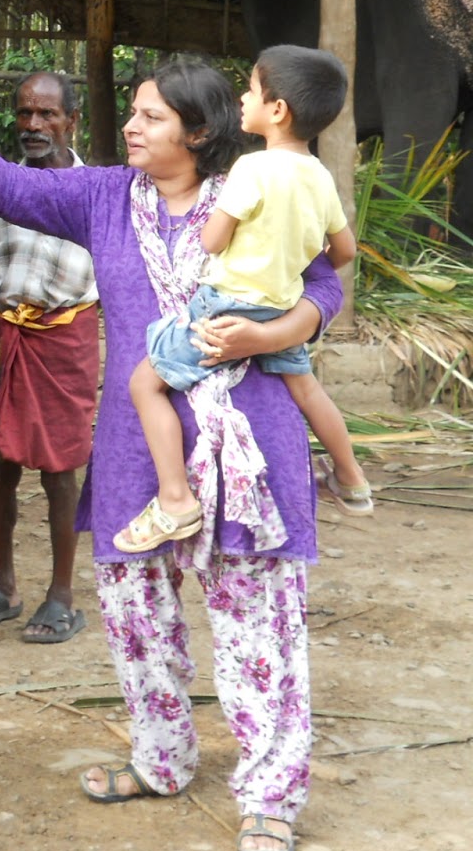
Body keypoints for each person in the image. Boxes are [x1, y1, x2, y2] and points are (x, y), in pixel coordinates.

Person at [0, 54, 341, 851]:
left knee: (259, 626)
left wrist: (273, 333)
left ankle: (272, 794)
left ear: (200, 132)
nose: (132, 127)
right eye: (134, 114)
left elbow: (326, 284)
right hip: (138, 448)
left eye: (150, 116)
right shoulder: (107, 197)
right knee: (136, 613)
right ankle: (162, 759)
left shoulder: (262, 189)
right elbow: (5, 184)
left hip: (249, 442)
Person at [119, 46, 370, 553]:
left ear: (276, 110)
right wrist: (290, 261)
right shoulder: (319, 176)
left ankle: (174, 500)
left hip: (224, 305)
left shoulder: (252, 170)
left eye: (252, 89)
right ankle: (353, 478)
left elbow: (211, 240)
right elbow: (344, 251)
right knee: (308, 390)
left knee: (145, 384)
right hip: (280, 306)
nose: (242, 96)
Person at [0, 72, 99, 643]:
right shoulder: (2, 187)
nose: (33, 125)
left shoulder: (98, 192)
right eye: (24, 114)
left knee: (61, 471)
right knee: (1, 463)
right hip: (5, 335)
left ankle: (62, 596)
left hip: (64, 340)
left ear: (72, 120)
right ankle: (4, 587)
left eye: (46, 114)